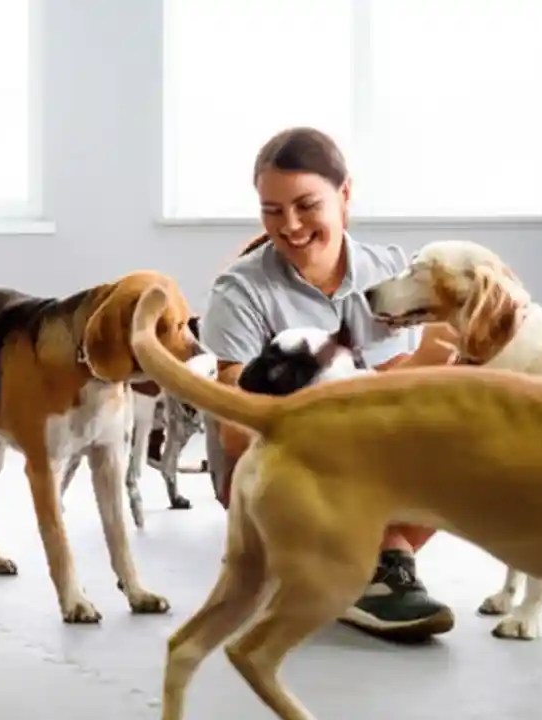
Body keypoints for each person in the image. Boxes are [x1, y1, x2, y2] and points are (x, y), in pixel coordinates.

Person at [199, 126, 460, 643]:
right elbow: (234, 431)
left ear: (344, 195)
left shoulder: (391, 270)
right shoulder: (240, 291)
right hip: (271, 467)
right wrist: (403, 377)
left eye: (305, 205)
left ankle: (363, 565)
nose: (289, 225)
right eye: (271, 210)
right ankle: (382, 567)